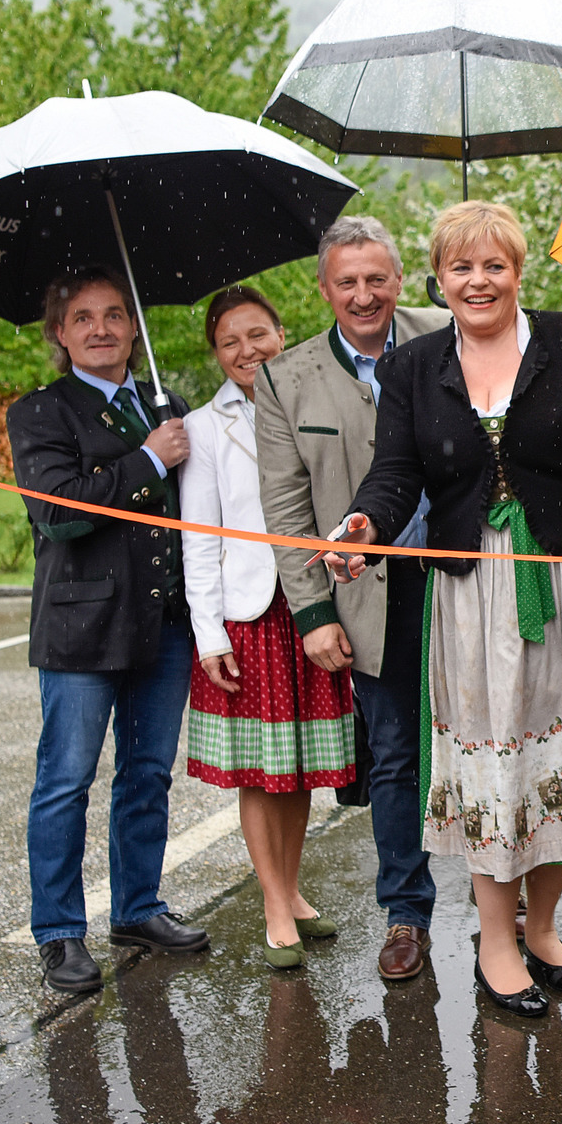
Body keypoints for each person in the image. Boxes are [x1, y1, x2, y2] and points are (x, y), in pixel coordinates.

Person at [325, 201, 562, 1018]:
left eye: (494, 264)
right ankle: (496, 940)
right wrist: (364, 525)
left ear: (518, 271)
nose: (478, 281)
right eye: (461, 267)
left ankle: (543, 927)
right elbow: (396, 475)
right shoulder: (413, 366)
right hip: (467, 594)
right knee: (491, 767)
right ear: (437, 278)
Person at [255, 217, 452, 983]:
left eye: (377, 278)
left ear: (400, 279)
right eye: (348, 281)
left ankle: (510, 906)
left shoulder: (452, 334)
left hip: (465, 579)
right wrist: (312, 614)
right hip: (368, 594)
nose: (364, 294)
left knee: (489, 738)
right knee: (396, 756)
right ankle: (407, 911)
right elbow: (286, 509)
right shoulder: (286, 377)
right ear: (324, 289)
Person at [6, 266, 208, 995]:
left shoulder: (164, 404)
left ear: (131, 326)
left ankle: (138, 908)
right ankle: (59, 931)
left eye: (115, 314)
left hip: (163, 623)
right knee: (66, 780)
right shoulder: (39, 414)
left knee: (147, 774)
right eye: (84, 317)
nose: (101, 328)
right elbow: (60, 512)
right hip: (81, 630)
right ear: (59, 334)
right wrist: (149, 458)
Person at [181, 286, 356, 970]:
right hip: (249, 616)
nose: (246, 350)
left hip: (312, 605)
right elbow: (199, 538)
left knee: (300, 765)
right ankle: (274, 905)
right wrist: (209, 634)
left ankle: (291, 887)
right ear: (216, 353)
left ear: (283, 334)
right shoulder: (205, 427)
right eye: (229, 341)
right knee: (260, 771)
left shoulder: (314, 401)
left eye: (257, 334)